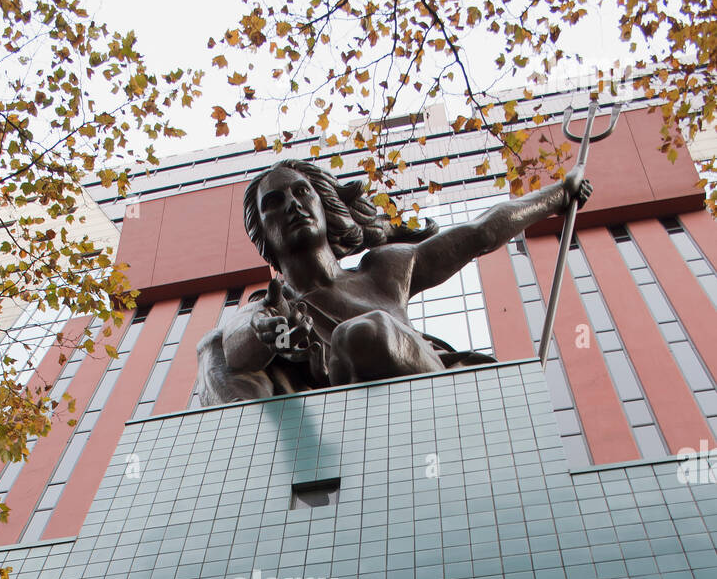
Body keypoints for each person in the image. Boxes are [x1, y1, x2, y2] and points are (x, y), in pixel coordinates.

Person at [195, 158, 592, 405]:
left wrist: (558, 195)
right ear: (263, 231)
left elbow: (480, 233)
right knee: (210, 345)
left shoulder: (383, 269)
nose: (293, 205)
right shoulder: (269, 307)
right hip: (337, 427)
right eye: (274, 203)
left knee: (362, 334)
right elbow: (235, 345)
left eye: (303, 192)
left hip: (429, 395)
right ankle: (252, 466)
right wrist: (266, 332)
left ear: (324, 204)